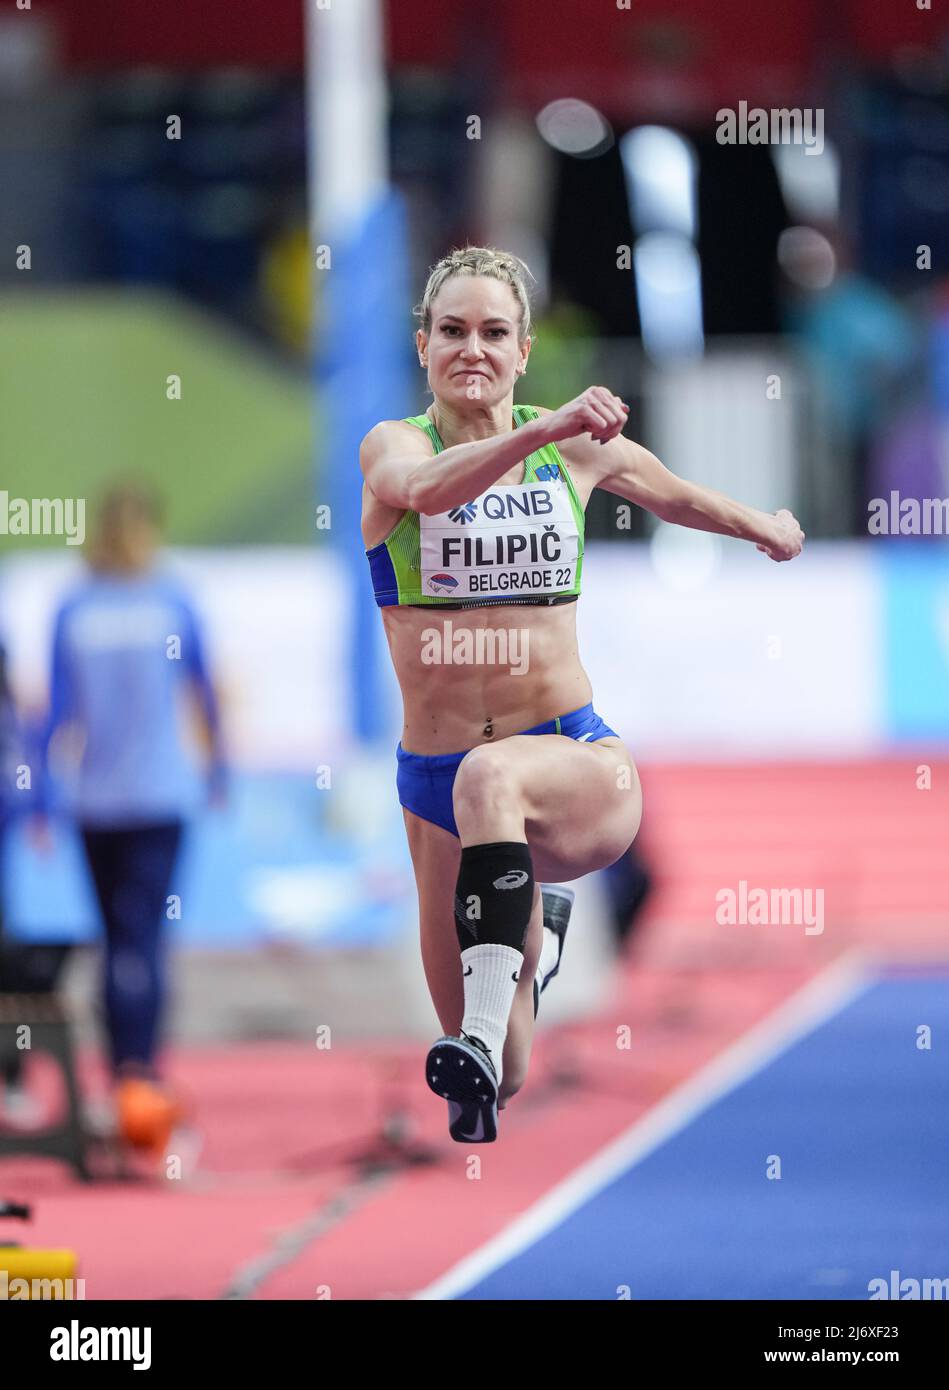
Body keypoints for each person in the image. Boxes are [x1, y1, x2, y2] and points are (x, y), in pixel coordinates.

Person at [359, 247, 803, 1143]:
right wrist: (533, 432)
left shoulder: (572, 451)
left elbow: (674, 497)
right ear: (422, 346)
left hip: (579, 765)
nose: (471, 349)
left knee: (491, 775)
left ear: (523, 350)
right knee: (495, 1080)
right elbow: (420, 491)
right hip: (432, 783)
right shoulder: (396, 447)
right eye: (452, 331)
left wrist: (765, 525)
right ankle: (529, 952)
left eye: (492, 333)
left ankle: (494, 997)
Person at [30, 483, 226, 1155]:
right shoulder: (170, 596)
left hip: (97, 799)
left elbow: (55, 713)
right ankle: (140, 1083)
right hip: (159, 797)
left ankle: (120, 1089)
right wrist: (219, 768)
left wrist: (36, 797)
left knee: (115, 942)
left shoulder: (76, 604)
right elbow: (205, 686)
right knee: (143, 943)